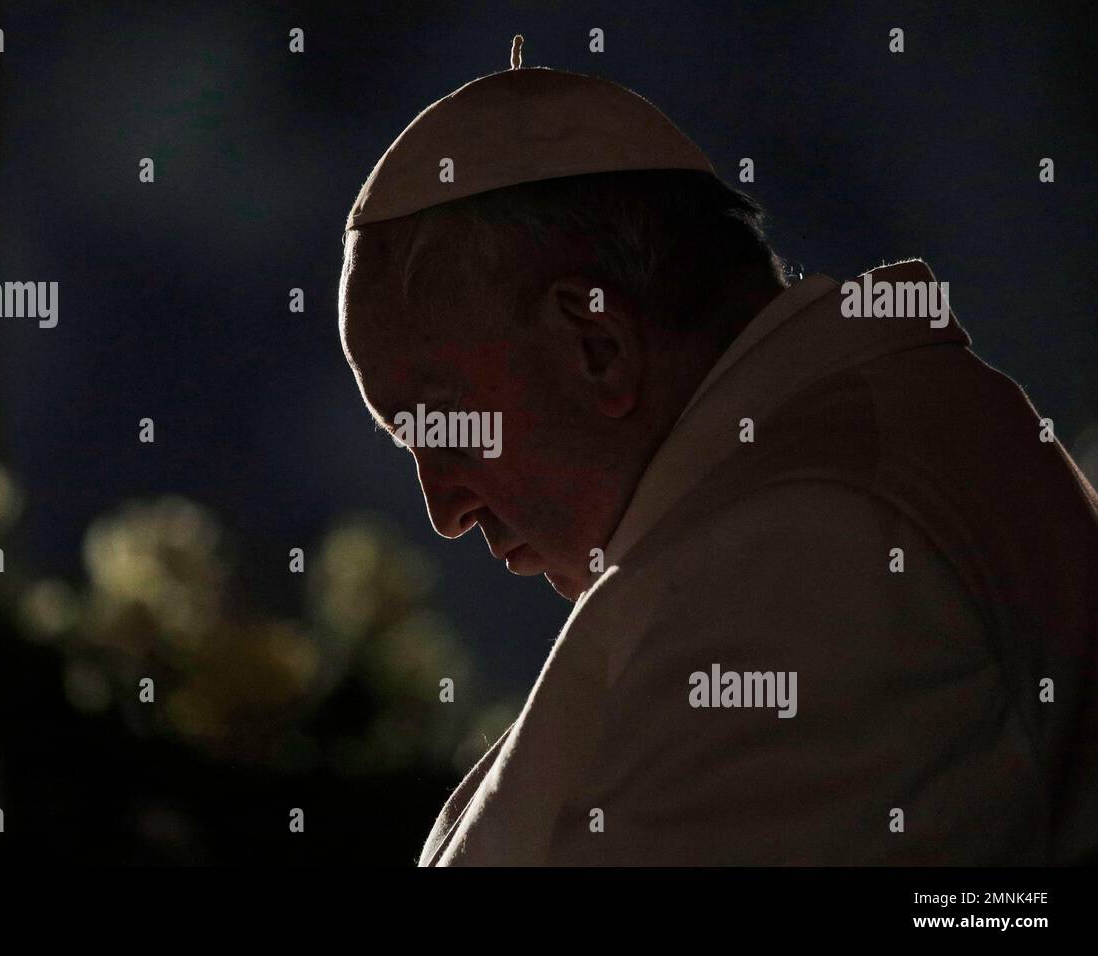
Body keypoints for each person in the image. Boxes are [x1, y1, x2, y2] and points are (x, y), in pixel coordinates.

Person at [338, 39, 1098, 865]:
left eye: (442, 423)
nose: (445, 510)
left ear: (595, 343)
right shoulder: (821, 481)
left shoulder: (810, 540)